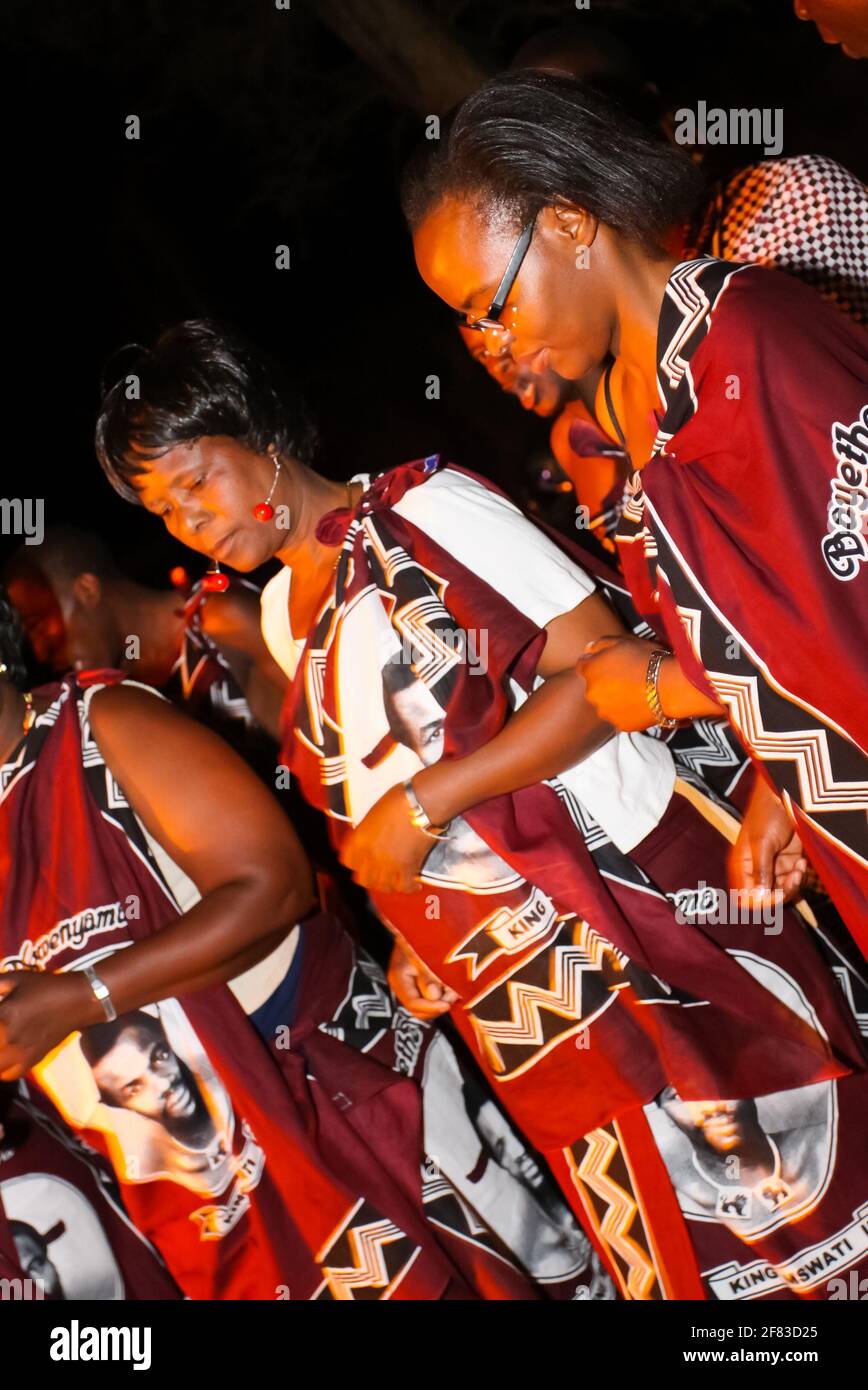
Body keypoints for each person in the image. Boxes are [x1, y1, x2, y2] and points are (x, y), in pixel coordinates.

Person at [94, 317, 868, 1299]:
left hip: (640, 915)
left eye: (196, 479)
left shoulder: (427, 509)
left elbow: (605, 666)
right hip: (527, 1004)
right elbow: (388, 813)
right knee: (685, 1267)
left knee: (813, 1211)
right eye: (163, 508)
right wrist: (424, 936)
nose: (190, 521)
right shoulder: (289, 622)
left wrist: (432, 799)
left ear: (260, 431)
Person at [0, 584, 599, 1301]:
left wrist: (84, 996)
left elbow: (275, 886)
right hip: (204, 1197)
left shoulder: (100, 726)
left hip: (334, 1088)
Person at [403, 68, 868, 958]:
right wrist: (784, 782)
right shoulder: (632, 406)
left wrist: (658, 691)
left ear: (572, 223)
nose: (496, 347)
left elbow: (843, 623)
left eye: (489, 308)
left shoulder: (745, 339)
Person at [5, 524, 287, 750]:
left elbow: (323, 728)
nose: (41, 652)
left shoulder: (221, 619)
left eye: (37, 624)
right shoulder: (121, 695)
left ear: (87, 591)